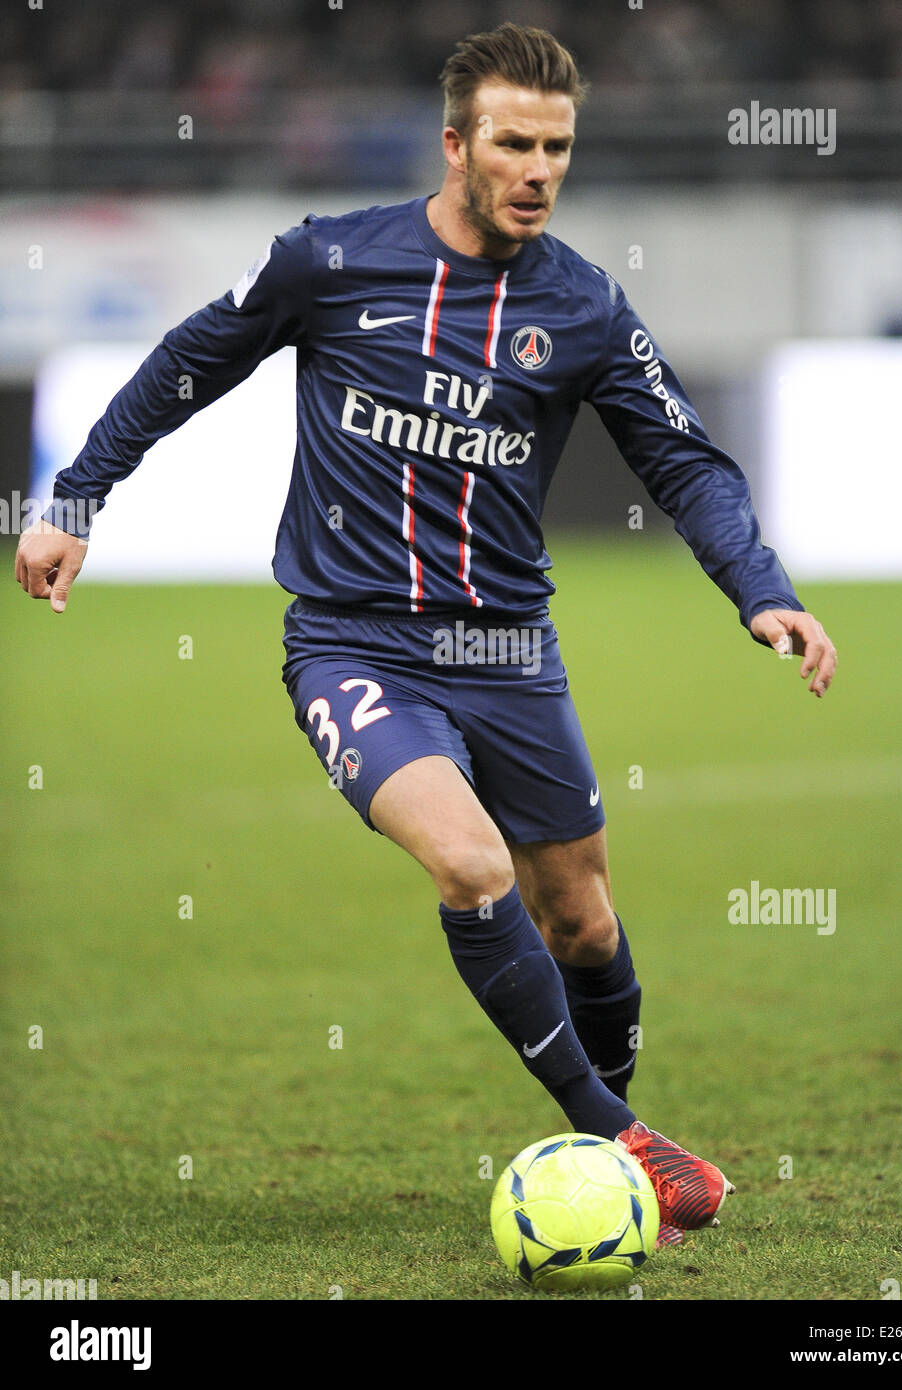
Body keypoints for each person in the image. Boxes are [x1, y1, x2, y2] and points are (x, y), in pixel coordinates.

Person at [15, 23, 837, 1249]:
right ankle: (622, 1138)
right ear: (456, 145)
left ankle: (605, 1145)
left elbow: (683, 460)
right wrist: (77, 497)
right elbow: (190, 360)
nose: (539, 170)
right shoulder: (330, 261)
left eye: (557, 148)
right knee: (469, 864)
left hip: (510, 653)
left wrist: (760, 586)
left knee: (583, 923)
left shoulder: (583, 305)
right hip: (353, 645)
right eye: (514, 144)